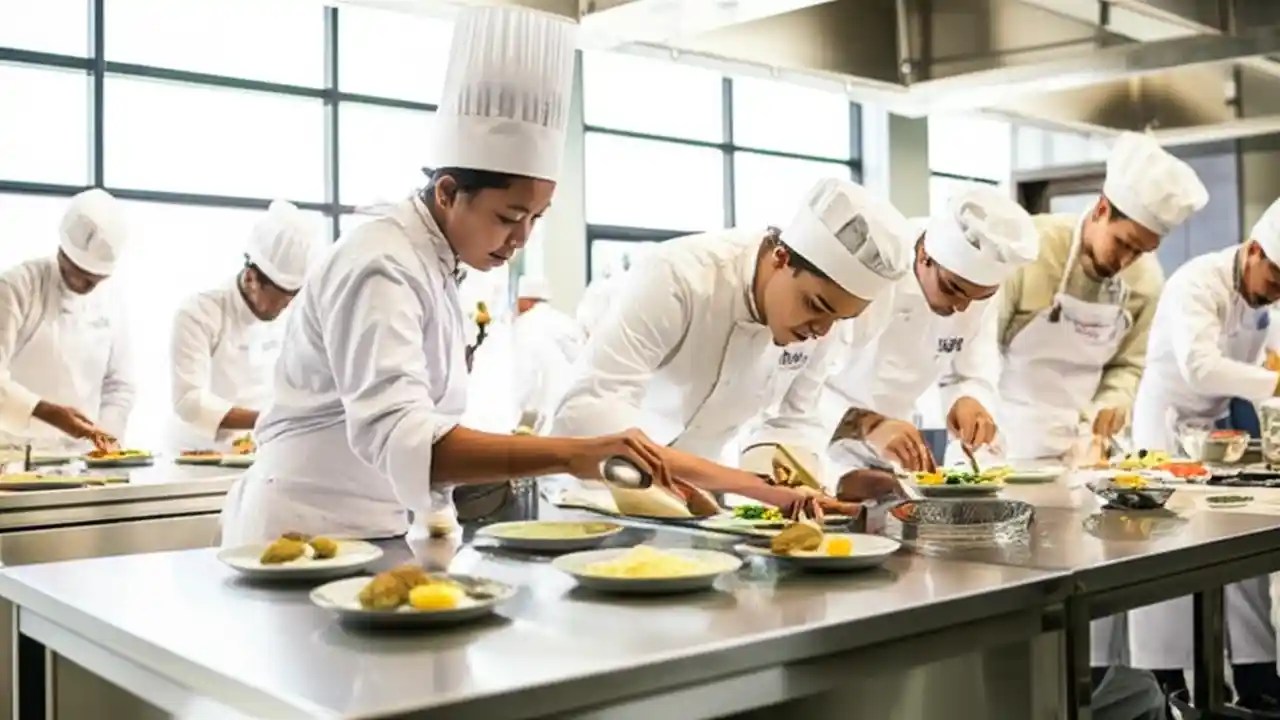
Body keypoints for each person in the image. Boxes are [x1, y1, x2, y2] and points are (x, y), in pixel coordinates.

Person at [219, 6, 829, 546]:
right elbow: (402, 436)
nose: (521, 240)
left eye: (537, 218)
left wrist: (760, 489)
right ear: (449, 191)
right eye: (509, 217)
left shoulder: (439, 261)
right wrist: (571, 455)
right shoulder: (380, 261)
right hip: (301, 531)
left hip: (375, 528)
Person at [551, 177, 913, 503]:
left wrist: (796, 490)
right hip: (602, 493)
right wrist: (744, 484)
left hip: (703, 498)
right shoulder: (680, 277)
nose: (822, 330)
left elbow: (793, 421)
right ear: (781, 258)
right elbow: (593, 412)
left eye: (840, 318)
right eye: (815, 306)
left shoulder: (821, 324)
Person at [1125, 197, 1280, 711]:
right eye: (1276, 281)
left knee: (1243, 552)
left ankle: (1258, 678)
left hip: (1217, 438)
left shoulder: (1262, 299)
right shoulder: (1198, 282)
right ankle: (1167, 683)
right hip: (1164, 431)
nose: (1277, 294)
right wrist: (1275, 381)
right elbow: (1199, 367)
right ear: (1254, 250)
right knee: (1168, 558)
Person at [995, 132, 1207, 465]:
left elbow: (1129, 364)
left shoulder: (1146, 280)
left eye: (1141, 251)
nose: (1126, 261)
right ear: (1102, 209)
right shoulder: (1031, 249)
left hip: (1077, 457)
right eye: (1124, 243)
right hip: (997, 451)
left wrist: (1111, 405)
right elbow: (979, 352)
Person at [823, 185, 1039, 475]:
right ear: (924, 254)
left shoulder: (975, 290)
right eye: (952, 289)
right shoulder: (876, 267)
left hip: (894, 448)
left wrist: (968, 399)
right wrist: (866, 424)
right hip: (819, 444)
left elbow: (970, 372)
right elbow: (801, 388)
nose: (962, 308)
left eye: (979, 298)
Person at [167, 200, 322, 452]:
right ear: (251, 279)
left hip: (264, 450)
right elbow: (188, 401)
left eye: (295, 296)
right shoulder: (199, 312)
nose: (288, 306)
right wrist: (268, 419)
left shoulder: (296, 313)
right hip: (199, 456)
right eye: (282, 298)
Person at [0, 188, 132, 453]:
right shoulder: (17, 287)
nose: (85, 284)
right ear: (62, 251)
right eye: (78, 273)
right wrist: (47, 412)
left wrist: (106, 440)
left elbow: (120, 385)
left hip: (81, 458)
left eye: (95, 279)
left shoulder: (111, 300)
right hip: (12, 454)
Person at [510, 274, 582, 432]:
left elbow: (526, 375)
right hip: (572, 408)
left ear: (525, 300)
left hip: (540, 414)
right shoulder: (565, 321)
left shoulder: (525, 325)